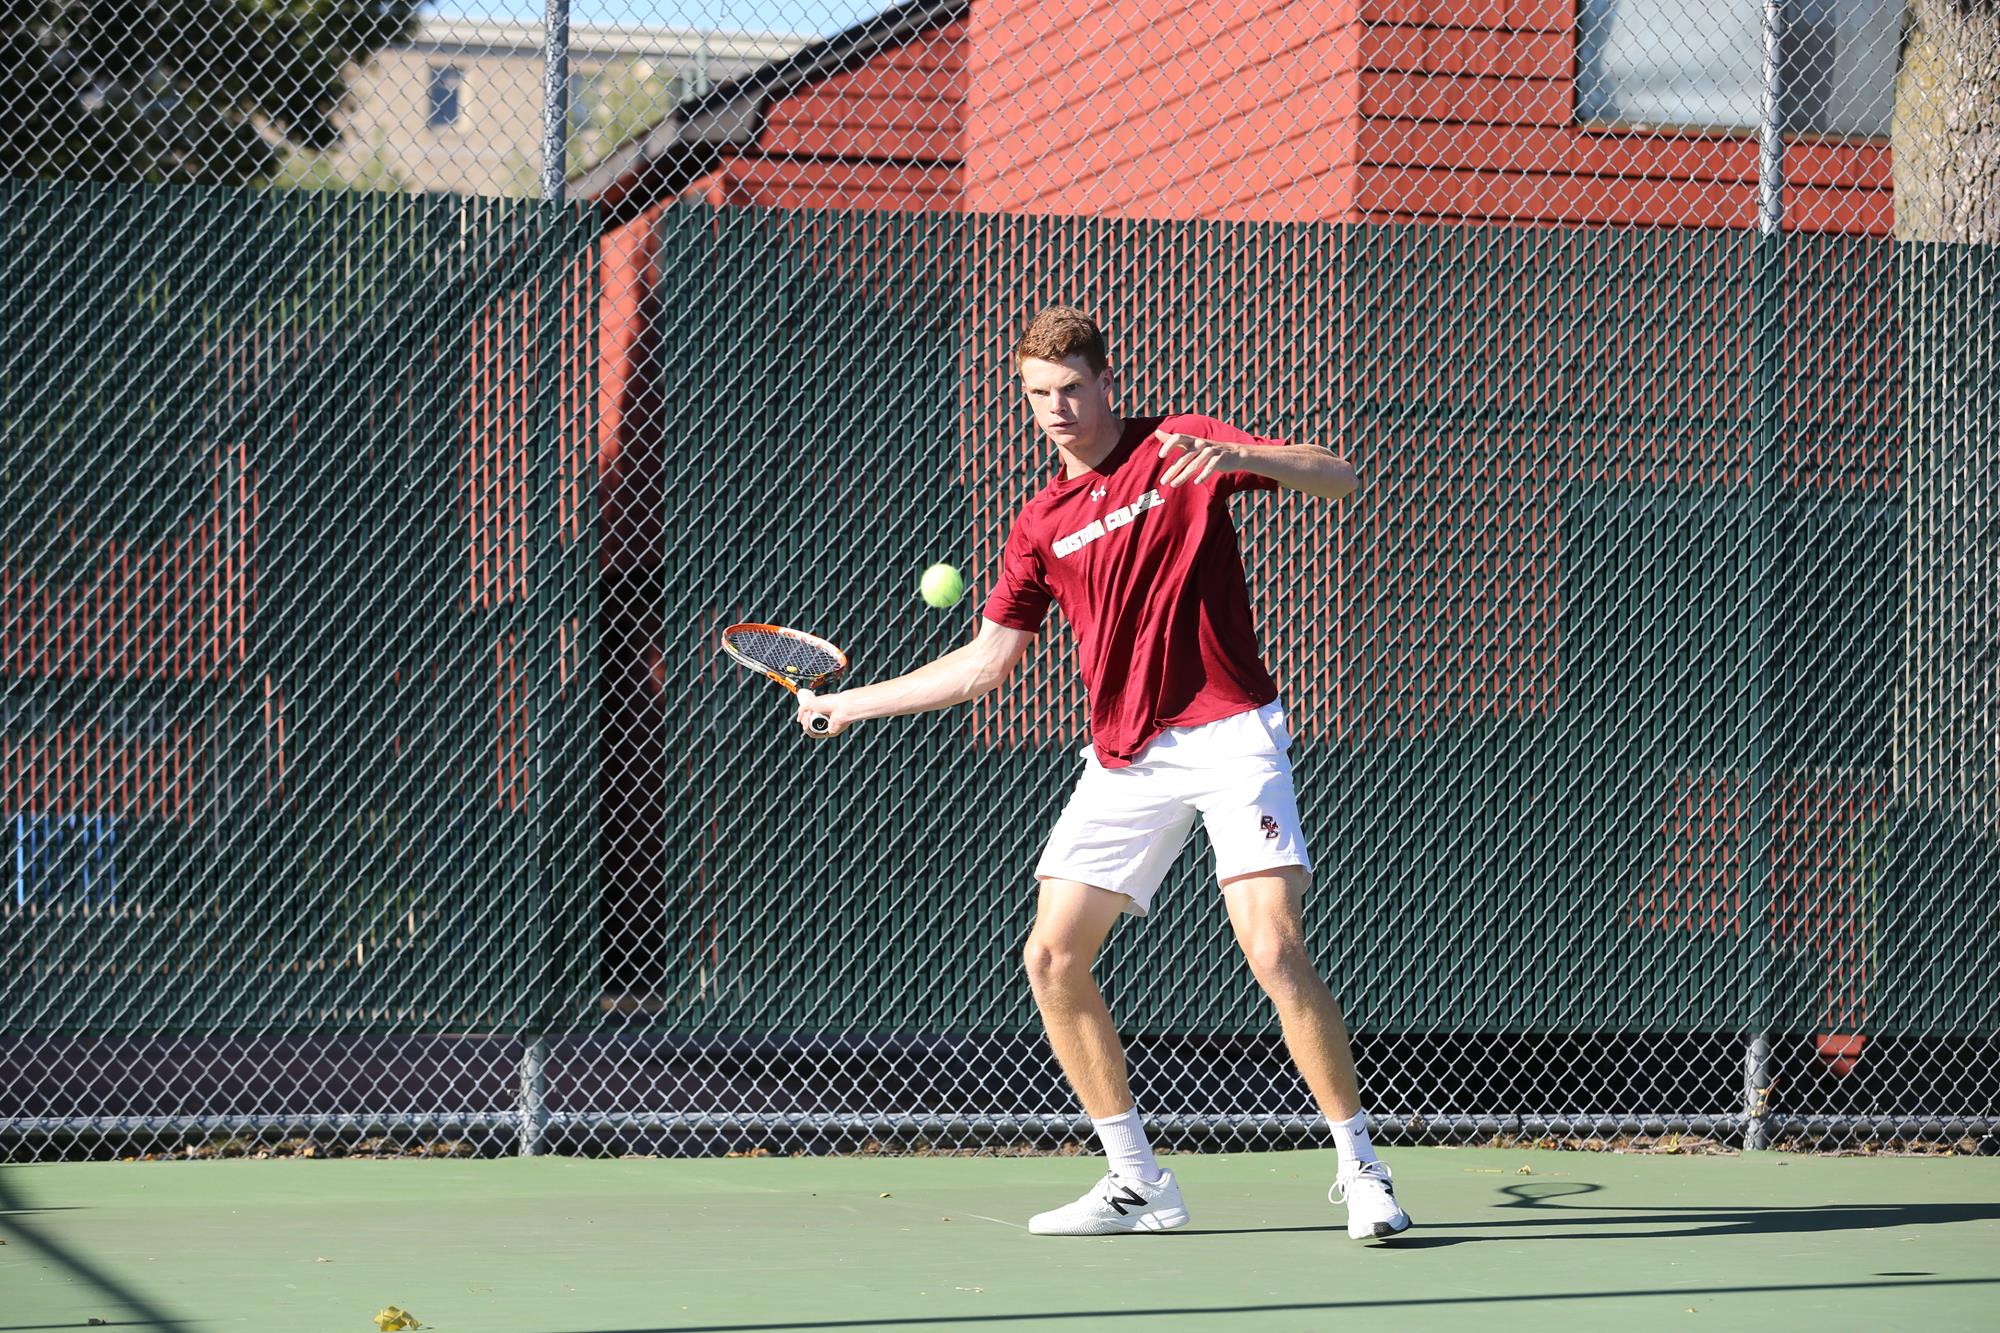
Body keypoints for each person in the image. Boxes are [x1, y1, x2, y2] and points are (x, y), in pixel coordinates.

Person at [796, 305, 1411, 1242]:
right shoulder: (1040, 523)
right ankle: (1137, 1182)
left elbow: (1341, 474)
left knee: (1273, 948)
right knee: (1051, 956)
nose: (1057, 409)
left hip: (1229, 730)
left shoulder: (1181, 447)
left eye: (1071, 389)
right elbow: (983, 665)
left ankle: (1361, 1167)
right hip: (1125, 757)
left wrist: (1263, 459)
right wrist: (852, 701)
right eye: (1039, 394)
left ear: (1105, 382)